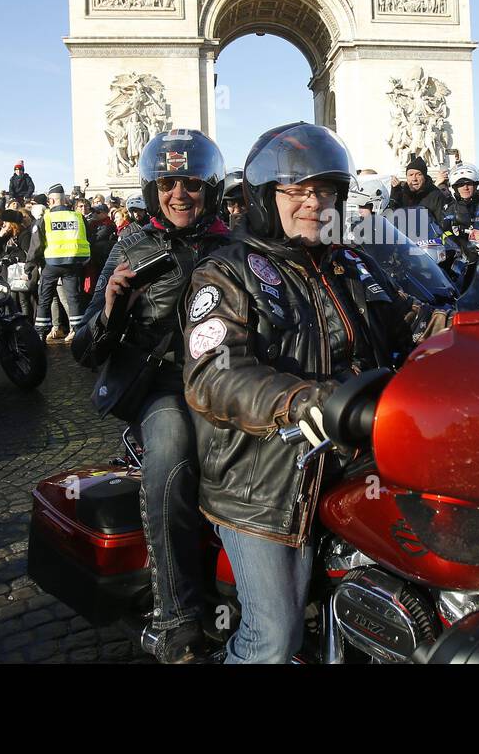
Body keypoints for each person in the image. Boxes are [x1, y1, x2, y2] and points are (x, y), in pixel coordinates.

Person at [182, 122, 450, 664]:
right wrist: (311, 401)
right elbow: (215, 374)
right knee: (274, 637)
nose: (313, 202)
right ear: (264, 197)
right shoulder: (225, 274)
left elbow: (413, 320)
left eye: (324, 190)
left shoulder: (347, 263)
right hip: (266, 477)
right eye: (296, 190)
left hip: (363, 450)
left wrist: (478, 329)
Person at [72, 129, 231, 662]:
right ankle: (174, 615)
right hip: (161, 385)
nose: (179, 194)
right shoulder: (129, 246)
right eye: (167, 184)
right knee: (171, 454)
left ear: (209, 187)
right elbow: (84, 349)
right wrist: (114, 303)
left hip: (228, 380)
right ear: (151, 189)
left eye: (190, 183)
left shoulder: (235, 242)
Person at [33, 184, 89, 343]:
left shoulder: (46, 218)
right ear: (64, 199)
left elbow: (36, 246)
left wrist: (30, 265)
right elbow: (88, 237)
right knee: (73, 299)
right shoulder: (78, 217)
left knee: (45, 298)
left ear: (51, 200)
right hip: (73, 263)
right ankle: (78, 333)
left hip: (51, 264)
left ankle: (40, 333)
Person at [386, 154, 447, 220]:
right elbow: (390, 217)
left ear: (424, 177)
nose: (414, 179)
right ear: (406, 177)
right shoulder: (401, 194)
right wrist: (395, 192)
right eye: (411, 175)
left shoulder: (436, 195)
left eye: (418, 174)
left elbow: (442, 223)